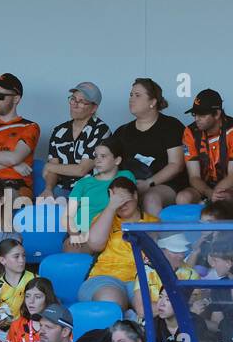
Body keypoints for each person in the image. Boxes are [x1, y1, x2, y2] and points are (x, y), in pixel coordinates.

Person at [79, 176, 157, 308]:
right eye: (116, 201)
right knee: (111, 300)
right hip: (105, 278)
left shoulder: (153, 223)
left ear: (135, 195)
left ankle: (129, 316)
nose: (121, 205)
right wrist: (111, 207)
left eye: (123, 199)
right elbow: (95, 244)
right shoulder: (104, 218)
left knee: (148, 306)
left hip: (140, 279)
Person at [111, 78, 185, 216]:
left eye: (137, 95)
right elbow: (111, 164)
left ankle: (154, 232)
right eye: (131, 95)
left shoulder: (171, 126)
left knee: (151, 198)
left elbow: (176, 165)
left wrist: (148, 183)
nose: (131, 99)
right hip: (130, 186)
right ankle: (81, 229)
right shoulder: (122, 131)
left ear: (153, 102)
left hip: (164, 185)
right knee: (97, 196)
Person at [176, 89, 233, 207]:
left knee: (223, 197)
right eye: (194, 114)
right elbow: (194, 177)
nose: (197, 118)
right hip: (202, 188)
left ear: (217, 114)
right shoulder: (190, 132)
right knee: (183, 198)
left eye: (202, 115)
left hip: (228, 187)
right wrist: (209, 193)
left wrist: (215, 194)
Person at [43, 82, 111, 196]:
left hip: (89, 191)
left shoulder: (101, 131)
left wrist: (49, 166)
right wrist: (48, 189)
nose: (75, 105)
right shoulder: (59, 131)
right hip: (61, 189)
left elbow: (81, 170)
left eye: (81, 102)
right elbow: (52, 170)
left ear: (94, 108)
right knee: (47, 202)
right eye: (73, 99)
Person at [67, 139, 134, 244]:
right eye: (96, 156)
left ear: (117, 160)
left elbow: (131, 205)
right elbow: (69, 215)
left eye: (103, 156)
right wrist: (74, 235)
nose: (97, 161)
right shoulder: (83, 183)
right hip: (83, 232)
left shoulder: (126, 176)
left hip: (116, 231)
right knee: (71, 247)